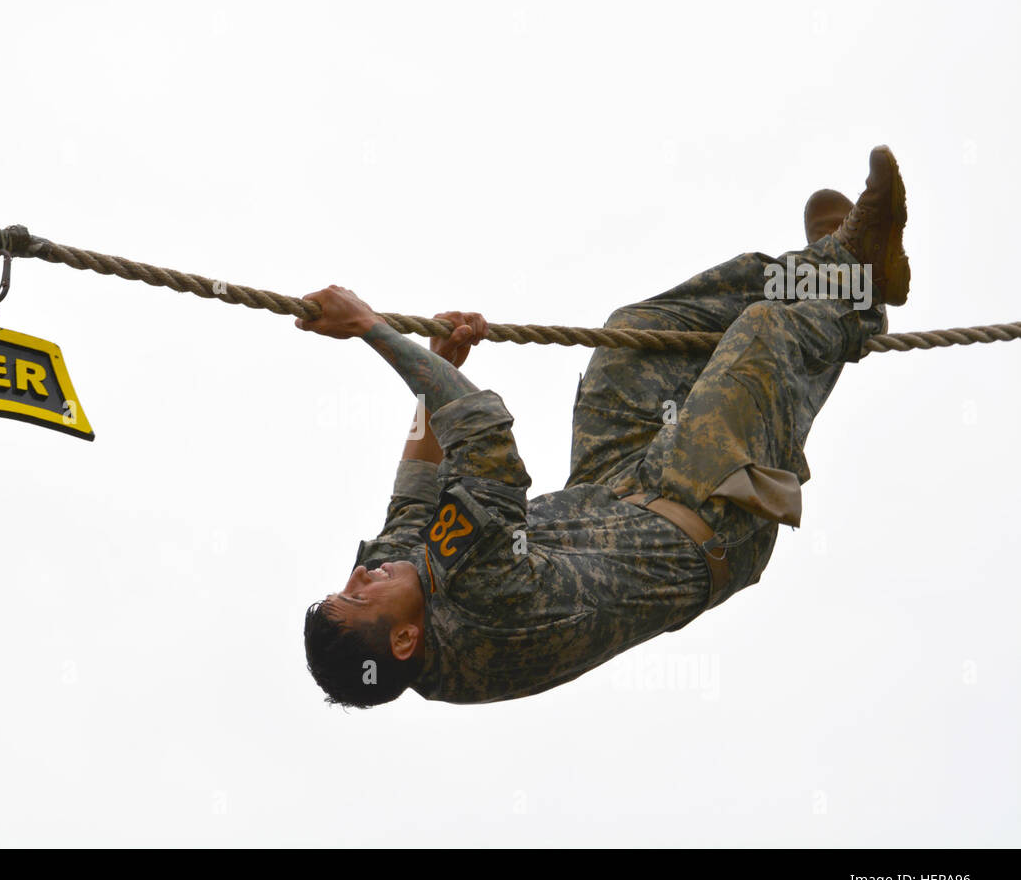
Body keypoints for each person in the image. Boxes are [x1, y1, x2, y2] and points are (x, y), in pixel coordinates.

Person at [298, 146, 909, 707]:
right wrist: (372, 329)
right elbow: (485, 434)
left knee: (632, 339)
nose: (358, 573)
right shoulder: (482, 615)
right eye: (356, 595)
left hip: (610, 489)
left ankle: (835, 264)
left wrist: (439, 362)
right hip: (699, 522)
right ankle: (856, 282)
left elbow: (416, 488)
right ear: (405, 642)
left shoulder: (400, 585)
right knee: (761, 335)